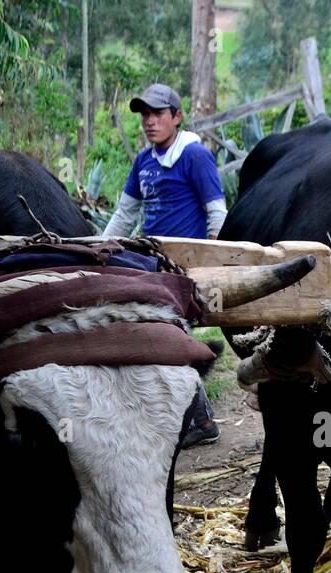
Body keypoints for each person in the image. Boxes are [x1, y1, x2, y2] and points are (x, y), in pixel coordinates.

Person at [105, 82, 225, 446]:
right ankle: (187, 416)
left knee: (168, 338)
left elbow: (216, 213)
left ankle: (201, 421)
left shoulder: (194, 156)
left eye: (157, 114)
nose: (149, 122)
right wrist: (98, 251)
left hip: (181, 269)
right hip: (147, 263)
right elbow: (124, 215)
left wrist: (213, 265)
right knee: (156, 337)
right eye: (144, 115)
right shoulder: (144, 161)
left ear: (177, 116)